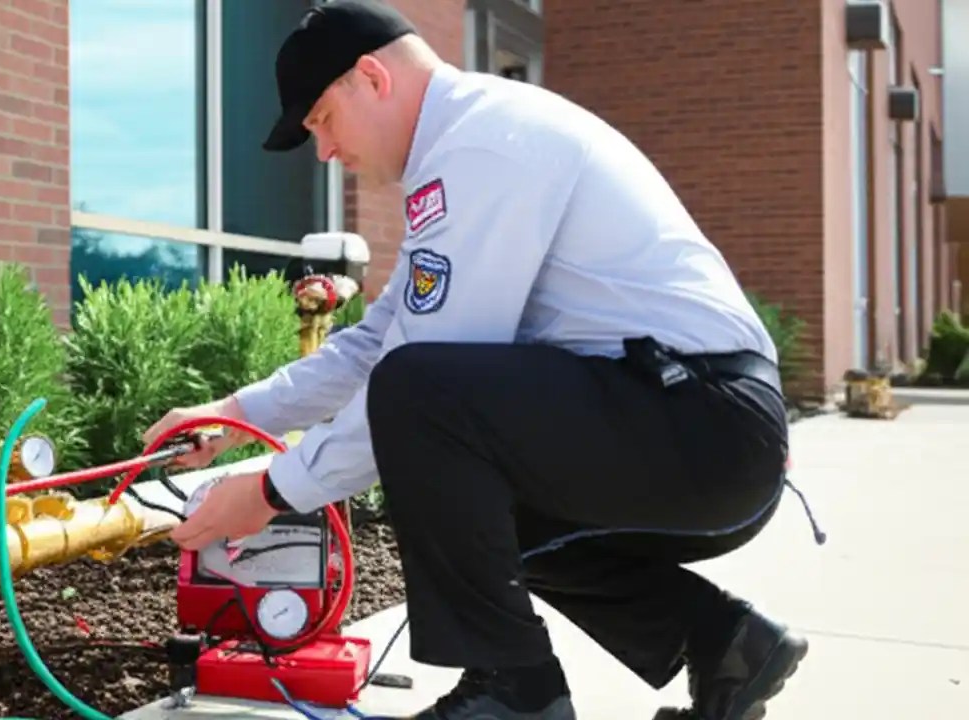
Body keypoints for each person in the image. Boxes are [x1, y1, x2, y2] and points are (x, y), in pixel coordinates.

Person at [144, 2, 817, 719]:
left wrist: (273, 491)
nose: (324, 153)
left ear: (370, 77)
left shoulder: (484, 147)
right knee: (470, 487)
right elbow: (378, 339)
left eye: (320, 122)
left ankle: (513, 693)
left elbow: (416, 378)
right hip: (692, 426)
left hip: (703, 428)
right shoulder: (467, 149)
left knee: (422, 399)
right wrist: (242, 412)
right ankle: (724, 641)